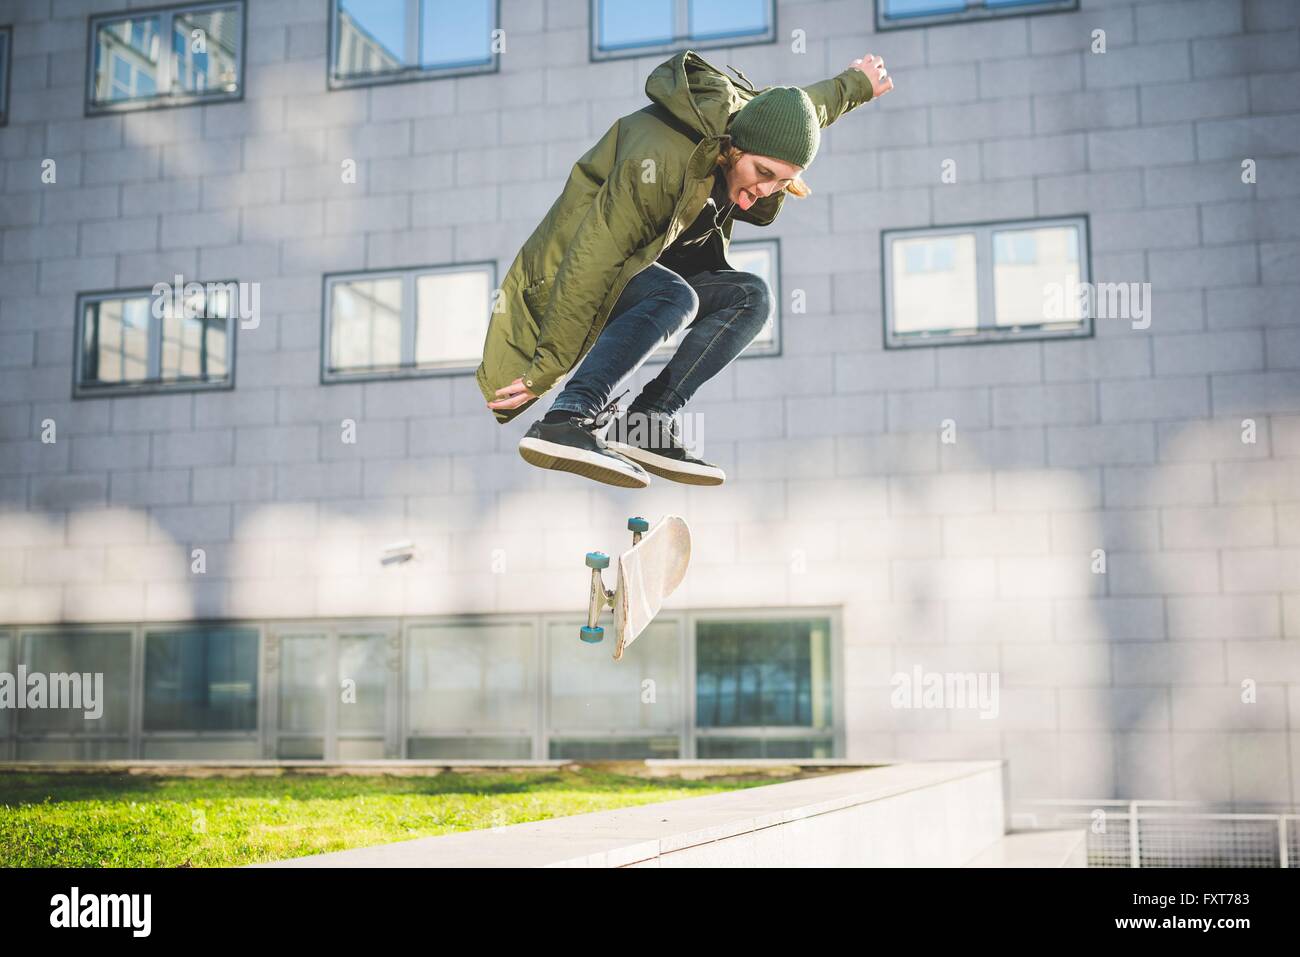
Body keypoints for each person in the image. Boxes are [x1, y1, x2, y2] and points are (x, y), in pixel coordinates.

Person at [476, 49, 893, 488]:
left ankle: (647, 422)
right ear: (734, 147)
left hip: (639, 272)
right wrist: (547, 367)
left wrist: (856, 85)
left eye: (783, 182)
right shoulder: (658, 161)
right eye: (762, 172)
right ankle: (567, 419)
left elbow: (799, 112)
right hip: (565, 279)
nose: (765, 190)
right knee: (674, 296)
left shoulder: (752, 127)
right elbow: (591, 262)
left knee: (750, 297)